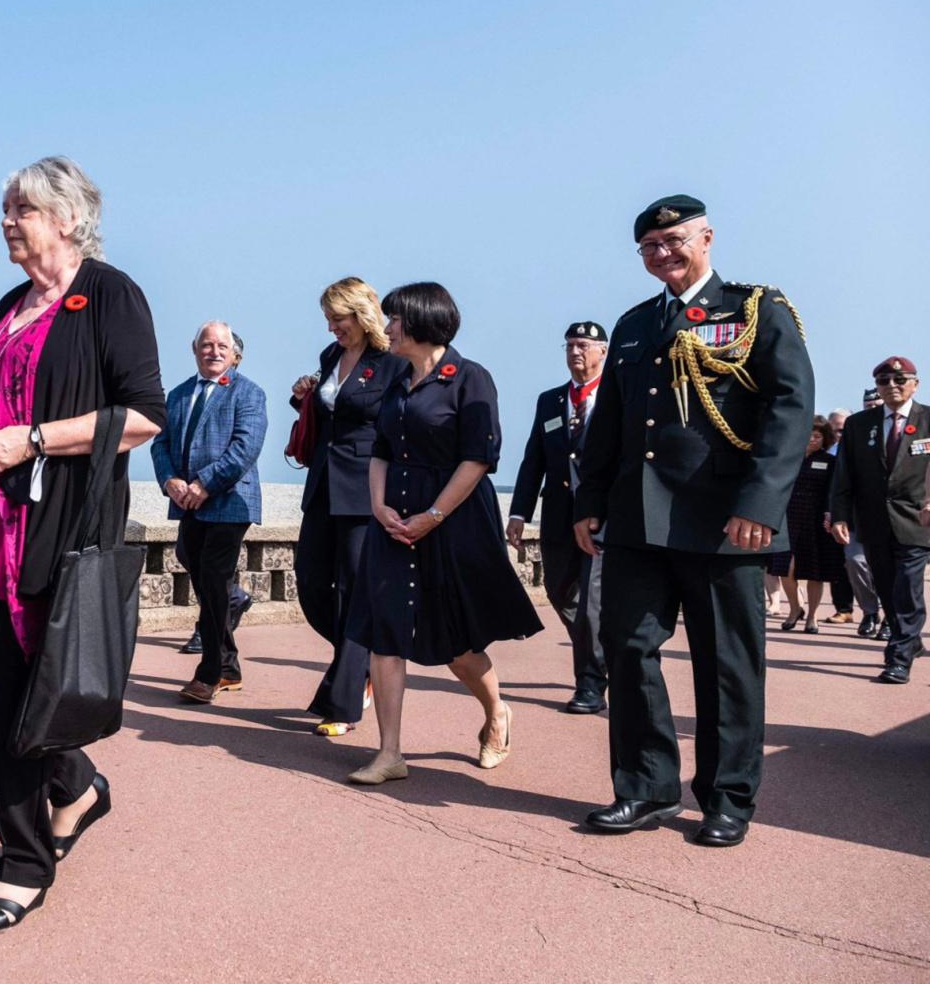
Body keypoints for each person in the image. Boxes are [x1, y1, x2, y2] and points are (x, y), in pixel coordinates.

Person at [0, 155, 165, 931]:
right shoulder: (9, 303)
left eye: (22, 208)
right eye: (5, 207)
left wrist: (34, 440)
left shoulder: (109, 294)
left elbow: (142, 417)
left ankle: (24, 865)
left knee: (25, 692)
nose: (8, 220)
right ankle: (80, 785)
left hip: (54, 533)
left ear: (67, 217)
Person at [574, 195, 814, 849]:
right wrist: (588, 501)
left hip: (723, 521)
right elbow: (611, 429)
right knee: (628, 651)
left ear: (705, 237)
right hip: (638, 518)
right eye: (650, 247)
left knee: (726, 663)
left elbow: (790, 412)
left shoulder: (757, 311)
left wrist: (760, 507)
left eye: (674, 240)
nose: (662, 254)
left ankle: (727, 798)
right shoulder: (631, 325)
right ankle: (645, 788)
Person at [345, 282, 543, 786]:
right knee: (384, 634)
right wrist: (378, 505)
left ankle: (497, 711)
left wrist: (432, 515)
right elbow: (382, 450)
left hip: (452, 522)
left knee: (456, 640)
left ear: (419, 322)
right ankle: (389, 752)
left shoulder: (470, 378)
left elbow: (478, 458)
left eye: (393, 319)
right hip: (393, 521)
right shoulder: (395, 382)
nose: (386, 327)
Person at [291, 278, 397, 736]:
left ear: (362, 314)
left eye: (339, 318)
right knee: (311, 584)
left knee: (354, 590)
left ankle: (343, 700)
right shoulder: (330, 356)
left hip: (363, 487)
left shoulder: (392, 361)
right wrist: (304, 397)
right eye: (328, 319)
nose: (332, 327)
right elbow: (329, 410)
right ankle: (361, 664)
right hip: (322, 483)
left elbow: (396, 423)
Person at [152, 322, 268, 703]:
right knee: (194, 564)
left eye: (222, 345)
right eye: (206, 344)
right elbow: (161, 443)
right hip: (187, 500)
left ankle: (211, 672)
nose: (214, 351)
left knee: (215, 578)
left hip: (230, 501)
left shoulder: (248, 393)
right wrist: (171, 480)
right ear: (194, 348)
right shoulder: (180, 394)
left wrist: (204, 483)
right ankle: (230, 663)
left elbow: (245, 448)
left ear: (234, 353)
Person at [507, 321, 611, 714]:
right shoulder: (550, 401)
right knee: (559, 591)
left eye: (583, 345)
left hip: (603, 520)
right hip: (557, 517)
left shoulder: (617, 396)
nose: (575, 352)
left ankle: (589, 683)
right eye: (569, 345)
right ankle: (604, 649)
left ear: (603, 350)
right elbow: (533, 459)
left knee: (592, 604)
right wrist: (519, 512)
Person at [830, 357, 930, 684]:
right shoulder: (860, 425)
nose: (892, 387)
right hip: (873, 523)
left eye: (900, 380)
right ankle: (910, 639)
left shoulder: (928, 420)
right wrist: (840, 516)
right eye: (884, 382)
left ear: (915, 384)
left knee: (907, 589)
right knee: (887, 589)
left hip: (917, 522)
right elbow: (844, 477)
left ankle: (897, 659)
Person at [767, 418, 847, 634]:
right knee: (786, 568)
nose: (812, 439)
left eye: (817, 436)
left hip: (816, 520)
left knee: (814, 572)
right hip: (788, 518)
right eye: (808, 434)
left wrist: (832, 515)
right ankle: (795, 608)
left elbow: (833, 492)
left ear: (825, 440)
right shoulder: (788, 460)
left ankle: (812, 616)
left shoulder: (830, 462)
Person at [845, 388, 890, 637]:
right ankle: (870, 611)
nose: (872, 408)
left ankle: (890, 619)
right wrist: (835, 512)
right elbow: (841, 476)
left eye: (877, 404)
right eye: (868, 405)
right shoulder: (856, 430)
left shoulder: (901, 428)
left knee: (889, 570)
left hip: (894, 516)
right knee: (855, 561)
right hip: (857, 514)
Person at [818, 408, 856, 625]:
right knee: (837, 564)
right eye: (833, 429)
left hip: (858, 515)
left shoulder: (857, 449)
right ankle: (843, 608)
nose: (837, 434)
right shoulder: (824, 452)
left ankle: (875, 612)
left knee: (861, 563)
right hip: (829, 514)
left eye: (841, 430)